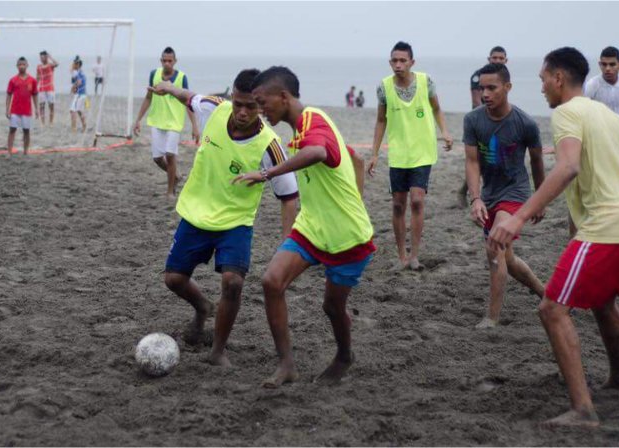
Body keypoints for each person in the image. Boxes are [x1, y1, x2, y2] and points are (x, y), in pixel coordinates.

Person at [489, 47, 619, 428]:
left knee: (551, 309)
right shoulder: (609, 116)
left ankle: (583, 410)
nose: (543, 87)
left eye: (543, 79)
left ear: (559, 78)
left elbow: (567, 167)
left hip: (607, 225)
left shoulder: (566, 112)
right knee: (602, 303)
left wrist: (518, 218)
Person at [234, 66, 375, 388]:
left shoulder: (314, 121)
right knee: (271, 282)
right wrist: (357, 193)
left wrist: (267, 174)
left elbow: (319, 151)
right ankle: (286, 365)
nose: (259, 110)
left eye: (261, 101)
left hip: (347, 236)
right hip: (311, 226)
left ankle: (344, 355)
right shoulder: (299, 131)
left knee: (332, 307)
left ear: (283, 96)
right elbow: (354, 158)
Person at [150, 69, 299, 367]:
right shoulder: (213, 109)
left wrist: (287, 244)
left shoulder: (270, 145)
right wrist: (167, 86)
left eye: (251, 106)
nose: (243, 112)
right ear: (231, 97)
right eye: (238, 104)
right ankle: (203, 307)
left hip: (236, 222)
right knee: (173, 279)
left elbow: (289, 196)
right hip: (196, 212)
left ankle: (218, 351)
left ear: (260, 103)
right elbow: (188, 97)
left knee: (233, 283)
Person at [463, 63, 546, 329]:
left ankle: (492, 318)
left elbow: (536, 162)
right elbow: (472, 162)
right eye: (481, 88)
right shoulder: (473, 120)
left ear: (507, 88)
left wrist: (540, 200)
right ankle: (546, 295)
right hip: (489, 193)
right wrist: (475, 198)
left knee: (495, 247)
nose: (485, 93)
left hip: (516, 192)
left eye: (491, 88)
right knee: (507, 259)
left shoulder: (526, 124)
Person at [367, 41, 453, 270]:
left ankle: (415, 256)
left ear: (412, 62)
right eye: (394, 60)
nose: (398, 64)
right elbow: (381, 120)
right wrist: (374, 153)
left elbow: (436, 108)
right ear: (390, 62)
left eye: (403, 60)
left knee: (417, 200)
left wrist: (444, 131)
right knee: (398, 205)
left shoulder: (426, 82)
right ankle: (402, 256)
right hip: (398, 154)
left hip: (423, 152)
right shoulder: (384, 87)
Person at [132, 47, 200, 199]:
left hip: (174, 123)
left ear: (175, 61)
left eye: (170, 61)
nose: (167, 63)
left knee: (170, 154)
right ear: (161, 61)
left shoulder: (182, 77)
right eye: (164, 60)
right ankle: (175, 175)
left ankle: (170, 192)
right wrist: (138, 120)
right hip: (157, 121)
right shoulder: (154, 75)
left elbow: (187, 102)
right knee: (157, 158)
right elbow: (148, 97)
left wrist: (195, 126)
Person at [461, 46, 509, 206]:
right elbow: (476, 101)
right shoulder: (478, 76)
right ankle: (464, 190)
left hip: (501, 121)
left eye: (501, 58)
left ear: (506, 60)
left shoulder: (503, 77)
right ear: (489, 59)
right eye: (494, 58)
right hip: (482, 122)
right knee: (480, 159)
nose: (497, 61)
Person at [584, 46, 619, 132]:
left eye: (612, 64)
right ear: (600, 65)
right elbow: (584, 113)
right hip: (598, 135)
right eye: (604, 64)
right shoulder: (592, 85)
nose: (608, 68)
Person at [5, 57, 38, 155]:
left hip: (27, 111)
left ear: (27, 65)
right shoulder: (13, 80)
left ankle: (26, 151)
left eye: (23, 64)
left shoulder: (32, 80)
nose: (21, 66)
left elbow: (35, 95)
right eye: (20, 64)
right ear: (17, 66)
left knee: (26, 131)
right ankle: (9, 151)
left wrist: (36, 109)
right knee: (12, 130)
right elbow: (9, 95)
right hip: (15, 110)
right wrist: (7, 109)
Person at [36, 50, 58, 126]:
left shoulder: (50, 65)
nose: (41, 59)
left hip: (50, 88)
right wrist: (35, 86)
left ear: (46, 57)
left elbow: (57, 64)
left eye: (42, 57)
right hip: (41, 88)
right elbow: (37, 77)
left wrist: (50, 57)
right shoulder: (39, 66)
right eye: (40, 57)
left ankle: (51, 122)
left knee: (51, 106)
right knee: (41, 106)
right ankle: (42, 123)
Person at [69, 57, 87, 133]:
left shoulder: (79, 72)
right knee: (79, 111)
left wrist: (73, 87)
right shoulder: (81, 72)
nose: (73, 65)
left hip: (79, 94)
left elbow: (78, 82)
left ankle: (74, 129)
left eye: (75, 64)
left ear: (78, 64)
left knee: (72, 111)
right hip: (83, 94)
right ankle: (84, 126)